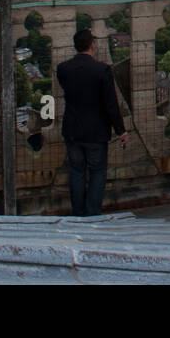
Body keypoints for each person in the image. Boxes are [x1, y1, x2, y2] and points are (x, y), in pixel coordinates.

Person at [55, 28, 128, 216]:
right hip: (96, 131)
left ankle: (78, 213)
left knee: (77, 171)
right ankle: (92, 214)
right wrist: (121, 131)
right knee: (97, 172)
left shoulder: (63, 69)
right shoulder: (102, 71)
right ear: (91, 45)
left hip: (72, 129)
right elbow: (111, 105)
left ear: (75, 46)